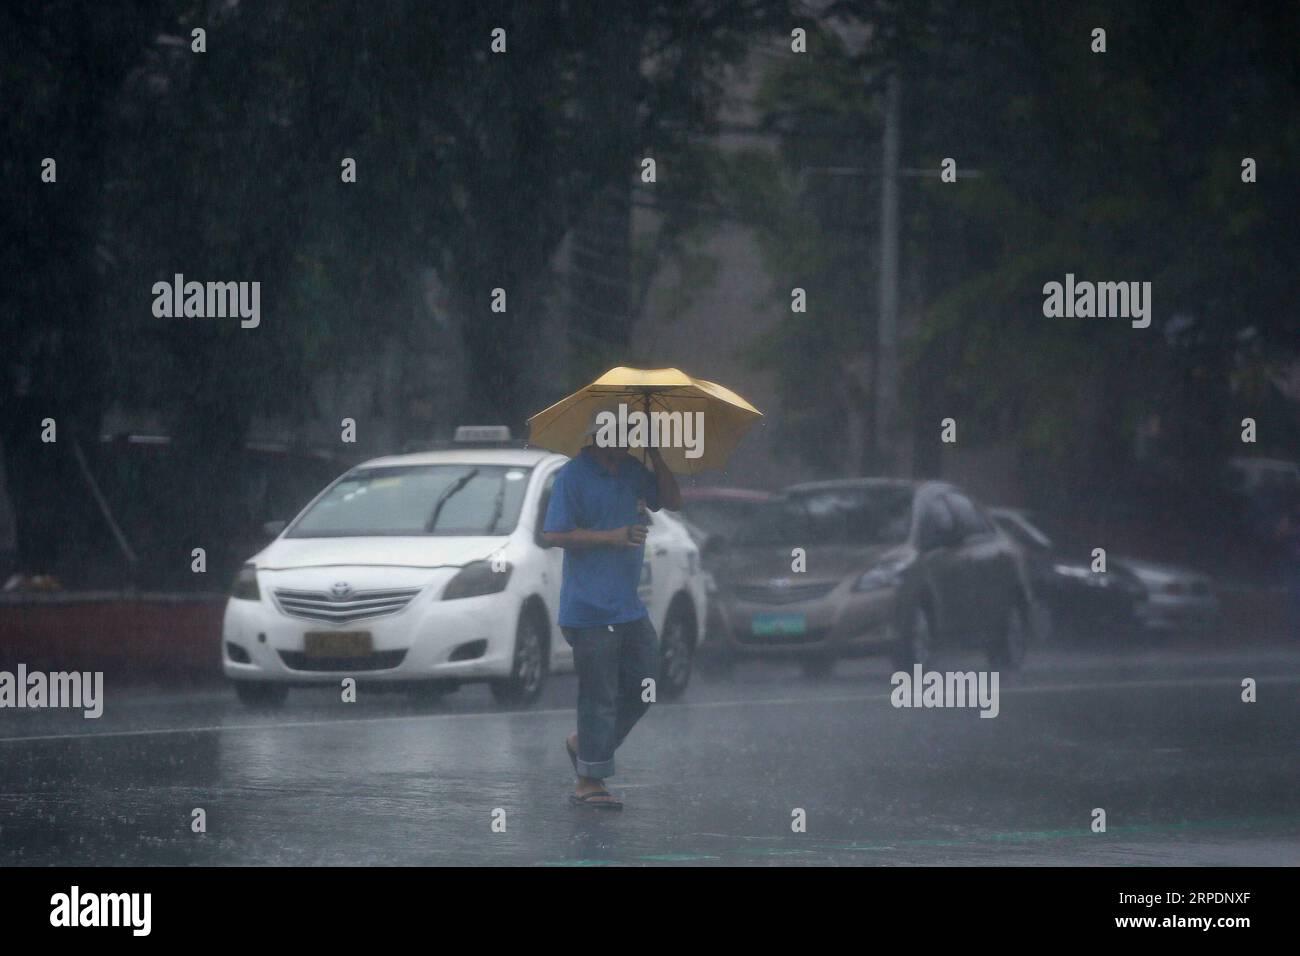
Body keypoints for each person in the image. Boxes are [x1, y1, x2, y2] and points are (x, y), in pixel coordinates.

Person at [542, 408, 682, 809]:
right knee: (598, 695)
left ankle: (585, 746)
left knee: (644, 688)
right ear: (598, 436)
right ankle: (589, 782)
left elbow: (673, 501)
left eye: (633, 434)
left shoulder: (631, 470)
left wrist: (656, 454)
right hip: (588, 609)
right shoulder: (572, 477)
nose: (628, 440)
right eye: (623, 434)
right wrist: (613, 536)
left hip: (628, 607)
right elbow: (554, 533)